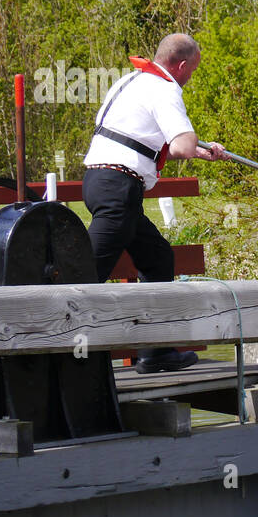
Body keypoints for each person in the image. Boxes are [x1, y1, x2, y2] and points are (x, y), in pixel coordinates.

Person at [81, 33, 226, 373]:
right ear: (182, 65)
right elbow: (181, 144)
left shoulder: (132, 81)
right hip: (118, 188)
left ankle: (156, 352)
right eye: (193, 70)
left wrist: (200, 152)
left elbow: (146, 140)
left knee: (159, 258)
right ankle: (51, 352)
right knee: (85, 273)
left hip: (103, 182)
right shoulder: (165, 88)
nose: (190, 77)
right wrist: (195, 143)